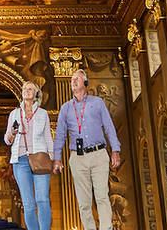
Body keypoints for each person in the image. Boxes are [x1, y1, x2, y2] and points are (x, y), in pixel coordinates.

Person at [52, 69, 121, 230]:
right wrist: (57, 158)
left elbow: (109, 127)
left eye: (77, 78)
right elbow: (60, 134)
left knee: (102, 196)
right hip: (78, 157)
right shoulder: (66, 108)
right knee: (83, 201)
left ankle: (106, 228)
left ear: (85, 82)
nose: (73, 81)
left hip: (98, 154)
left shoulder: (97, 103)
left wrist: (115, 150)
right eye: (72, 80)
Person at [4, 81, 53, 230]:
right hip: (20, 161)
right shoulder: (14, 114)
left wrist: (53, 158)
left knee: (42, 199)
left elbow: (48, 137)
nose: (26, 90)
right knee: (28, 203)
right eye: (24, 88)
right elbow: (7, 140)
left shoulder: (43, 113)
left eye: (30, 88)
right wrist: (11, 133)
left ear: (35, 94)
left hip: (39, 158)